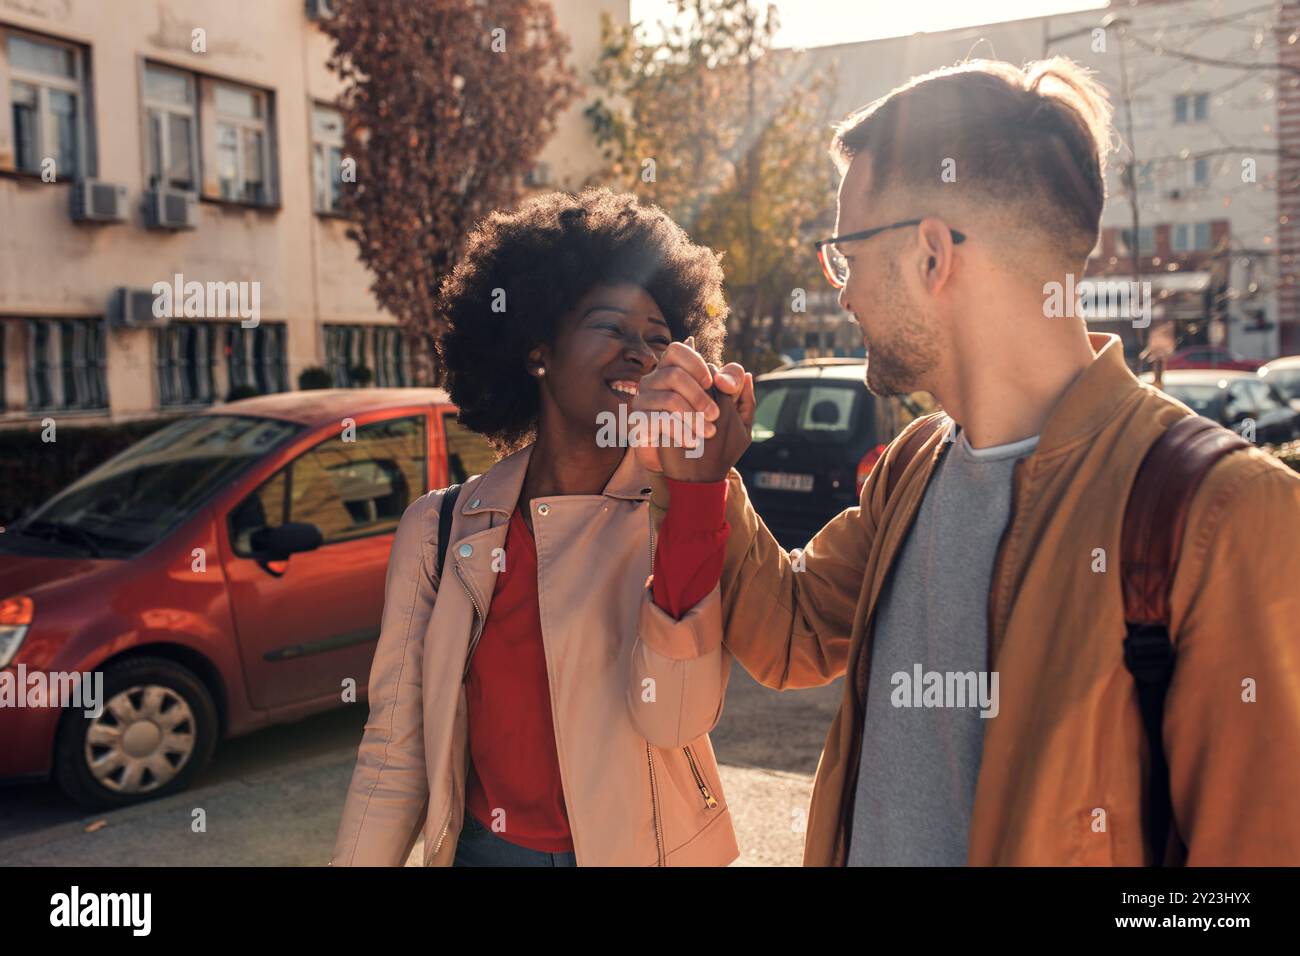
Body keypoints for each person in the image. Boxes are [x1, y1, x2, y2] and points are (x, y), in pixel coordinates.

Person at [633, 57, 1300, 865]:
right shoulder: (915, 464)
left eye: (846, 254)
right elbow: (795, 632)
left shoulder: (1222, 510)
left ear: (931, 256)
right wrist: (703, 474)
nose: (840, 294)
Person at [330, 187, 749, 867]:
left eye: (658, 339)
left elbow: (675, 717)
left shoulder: (687, 507)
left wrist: (698, 494)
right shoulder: (437, 530)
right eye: (610, 327)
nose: (639, 354)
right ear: (537, 352)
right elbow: (392, 753)